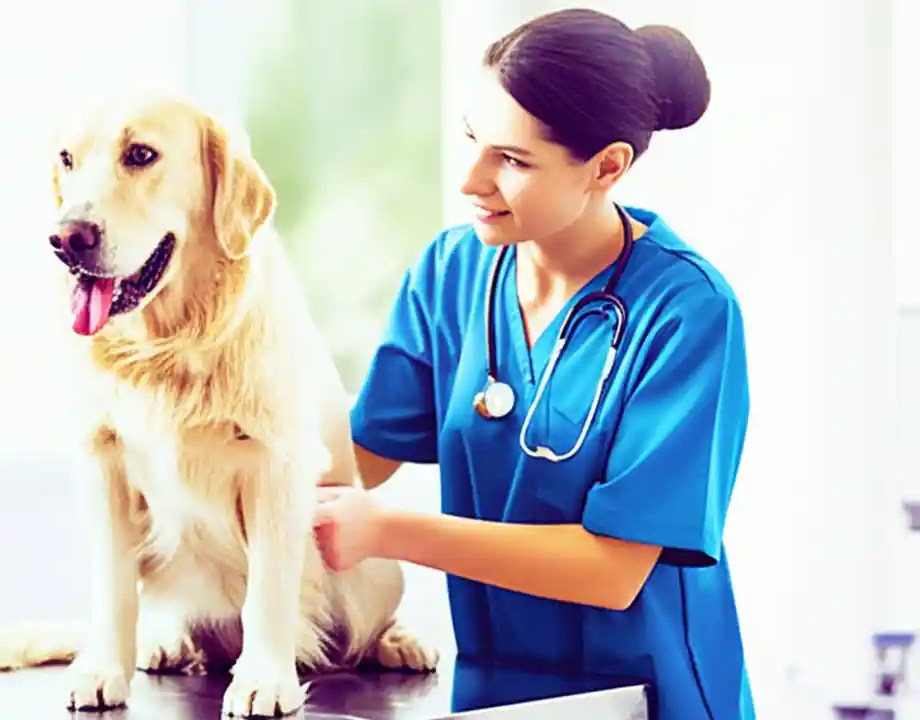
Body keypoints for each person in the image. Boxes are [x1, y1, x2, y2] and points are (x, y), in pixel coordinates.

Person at [312, 8, 753, 720]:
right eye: (472, 141)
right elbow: (356, 460)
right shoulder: (451, 271)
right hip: (494, 693)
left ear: (607, 166)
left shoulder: (688, 311)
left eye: (512, 160)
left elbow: (614, 569)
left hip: (646, 695)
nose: (470, 180)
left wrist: (388, 530)